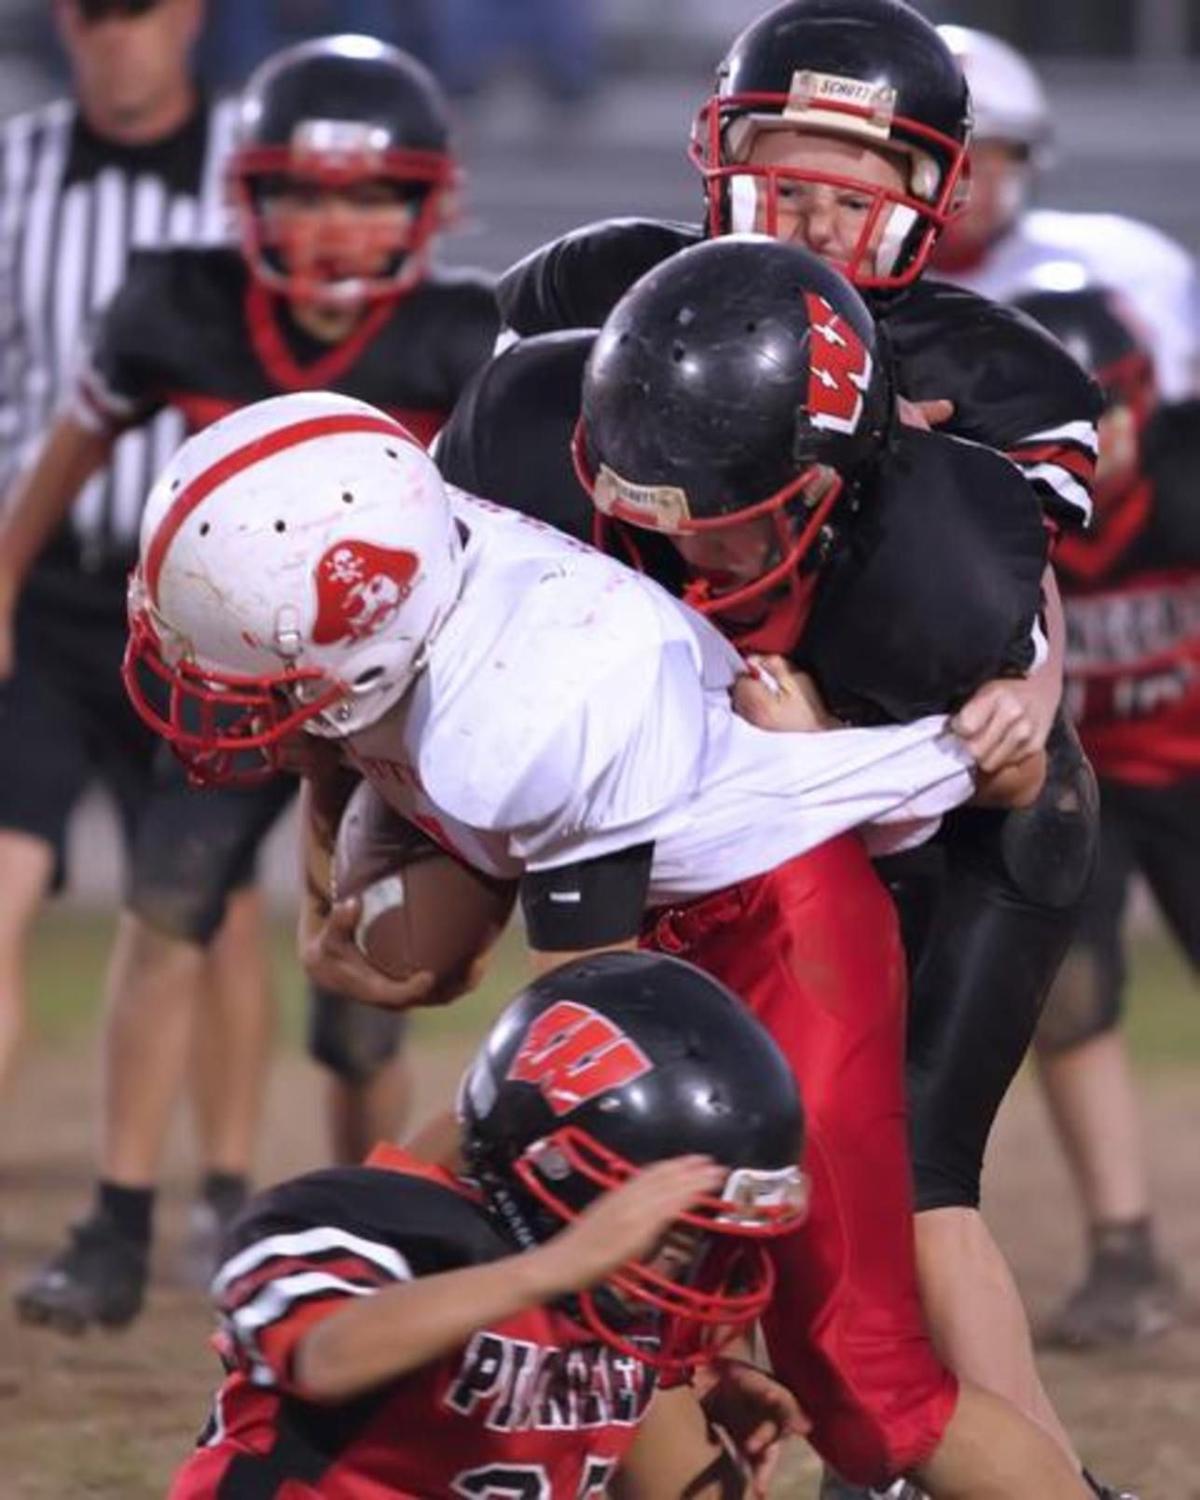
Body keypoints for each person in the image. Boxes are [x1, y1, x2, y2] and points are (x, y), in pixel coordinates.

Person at [123, 385, 1094, 1499]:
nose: (219, 688)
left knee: (868, 1391)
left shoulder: (533, 707)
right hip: (646, 936)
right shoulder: (420, 572)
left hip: (770, 941)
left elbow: (577, 1027)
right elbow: (382, 824)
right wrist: (326, 889)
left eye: (254, 663)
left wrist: (468, 1201)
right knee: (609, 1319)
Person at [461, 2, 1110, 1487]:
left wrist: (1038, 693)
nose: (813, 211)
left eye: (850, 185)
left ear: (926, 202)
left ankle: (1051, 1476)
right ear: (719, 162)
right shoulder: (611, 294)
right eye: (783, 176)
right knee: (699, 1159)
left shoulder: (992, 370)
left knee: (911, 1181)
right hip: (730, 800)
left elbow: (1012, 590)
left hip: (949, 801)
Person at [10, 33, 499, 1335]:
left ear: (424, 202)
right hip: (240, 685)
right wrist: (2, 586)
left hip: (398, 697)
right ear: (250, 197)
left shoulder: (464, 334)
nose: (335, 226)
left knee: (365, 993)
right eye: (305, 192)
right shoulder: (180, 300)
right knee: (166, 906)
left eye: (368, 194)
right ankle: (116, 1217)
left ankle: (369, 1220)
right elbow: (73, 447)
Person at [169, 949, 811, 1499]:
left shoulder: (603, 1313)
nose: (685, 1268)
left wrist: (706, 1392)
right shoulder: (365, 1223)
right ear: (562, 1169)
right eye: (670, 1231)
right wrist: (554, 1267)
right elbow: (325, 1357)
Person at [0, 0, 271, 1261]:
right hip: (42, 585)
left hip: (204, 596)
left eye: (140, 13)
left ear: (192, 20)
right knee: (1, 886)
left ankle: (222, 1187)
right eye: (93, 14)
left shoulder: (259, 175)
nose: (117, 40)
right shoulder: (14, 169)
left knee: (207, 907)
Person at [1013, 285, 1198, 1350]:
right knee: (1068, 994)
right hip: (1068, 777)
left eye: (1106, 411)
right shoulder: (979, 512)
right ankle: (1124, 1248)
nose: (1089, 441)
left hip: (1194, 765)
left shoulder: (1183, 479)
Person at [931, 25, 1200, 401]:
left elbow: (1169, 432)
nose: (964, 180)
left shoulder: (1130, 263)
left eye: (989, 155)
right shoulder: (840, 268)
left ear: (1026, 162)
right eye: (944, 155)